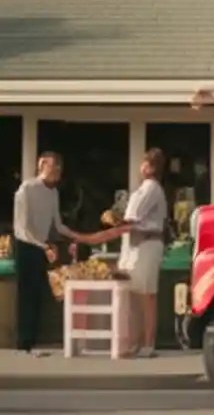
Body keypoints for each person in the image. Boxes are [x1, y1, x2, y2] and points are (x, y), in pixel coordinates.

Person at [86, 148, 168, 358]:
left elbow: (133, 218)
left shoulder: (151, 188)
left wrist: (114, 220)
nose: (142, 167)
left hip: (146, 245)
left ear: (151, 167)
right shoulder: (143, 189)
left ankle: (148, 343)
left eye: (145, 163)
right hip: (134, 246)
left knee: (147, 295)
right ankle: (134, 341)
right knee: (134, 295)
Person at [12, 152, 87, 356]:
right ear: (42, 164)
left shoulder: (53, 193)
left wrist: (77, 236)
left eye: (60, 167)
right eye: (54, 166)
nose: (58, 170)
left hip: (43, 247)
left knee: (39, 294)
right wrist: (43, 246)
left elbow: (58, 225)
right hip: (26, 246)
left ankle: (33, 342)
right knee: (26, 294)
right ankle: (23, 343)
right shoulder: (27, 189)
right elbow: (22, 228)